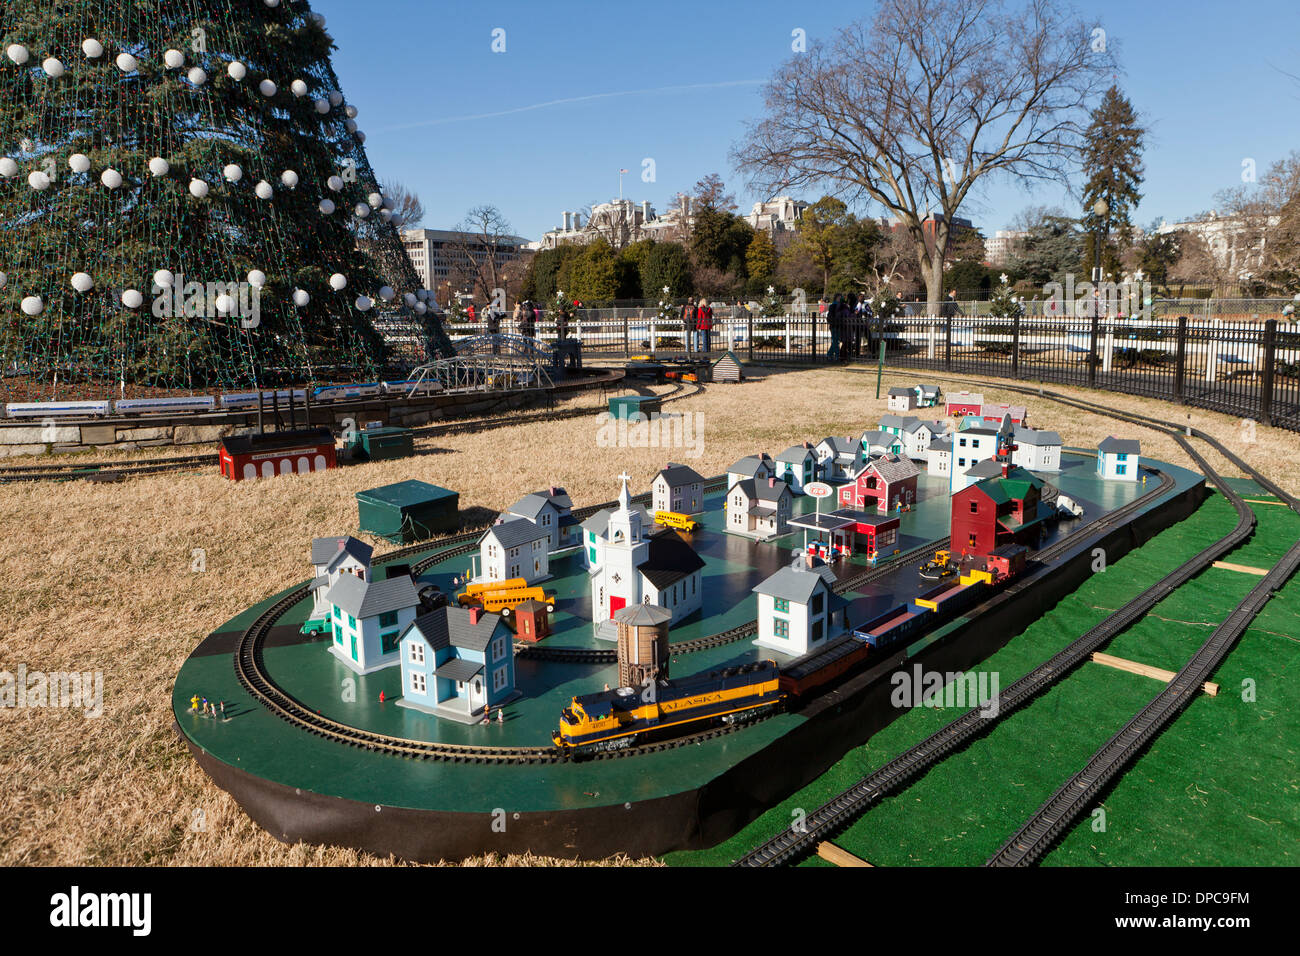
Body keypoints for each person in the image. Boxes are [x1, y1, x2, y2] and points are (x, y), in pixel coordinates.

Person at [826, 293, 844, 361]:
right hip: (834, 325)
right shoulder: (833, 306)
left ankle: (830, 354)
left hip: (836, 325)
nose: (840, 299)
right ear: (836, 298)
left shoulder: (837, 305)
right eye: (839, 298)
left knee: (836, 341)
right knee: (835, 341)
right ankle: (836, 355)